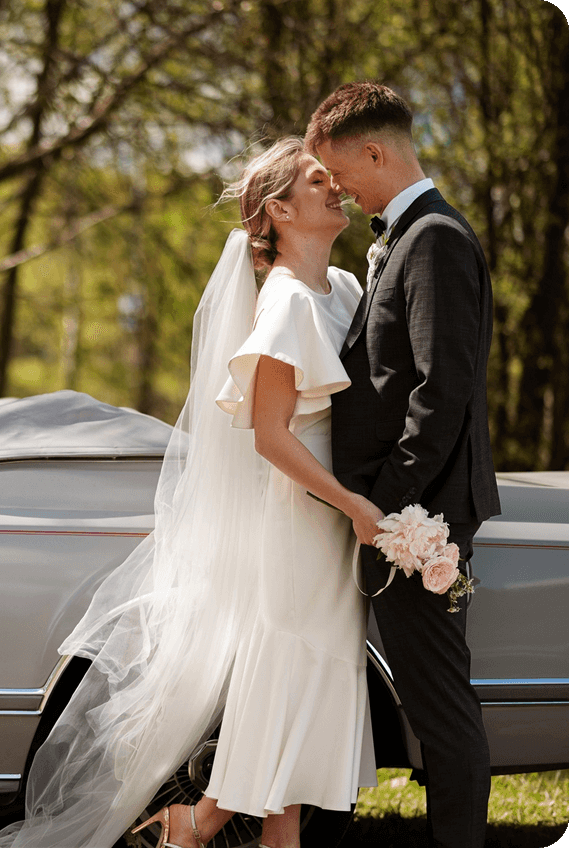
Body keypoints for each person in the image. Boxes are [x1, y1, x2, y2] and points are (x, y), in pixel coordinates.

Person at [0, 138, 380, 848]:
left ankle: (211, 826)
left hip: (334, 521)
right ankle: (205, 821)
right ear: (280, 210)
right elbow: (271, 437)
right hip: (297, 521)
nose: (336, 187)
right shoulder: (283, 303)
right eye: (320, 181)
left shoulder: (342, 289)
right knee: (288, 676)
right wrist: (354, 504)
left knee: (306, 684)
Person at [306, 82, 500, 848]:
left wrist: (387, 509)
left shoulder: (435, 240)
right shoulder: (407, 236)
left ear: (376, 153)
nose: (342, 192)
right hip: (406, 508)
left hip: (422, 515)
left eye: (341, 172)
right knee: (431, 698)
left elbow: (440, 393)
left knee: (441, 704)